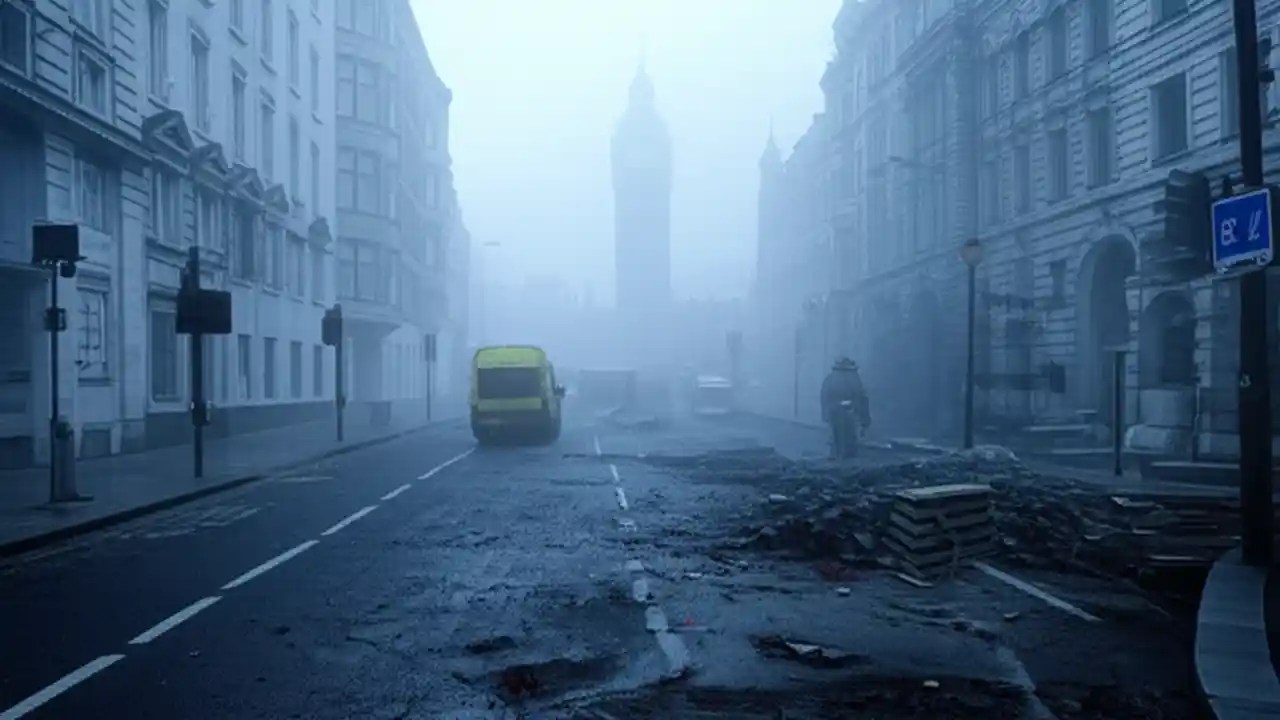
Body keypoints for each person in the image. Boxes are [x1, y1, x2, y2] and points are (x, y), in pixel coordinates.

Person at [820, 357, 871, 459]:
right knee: (848, 440)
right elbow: (863, 398)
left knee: (837, 439)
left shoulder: (830, 378)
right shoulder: (855, 378)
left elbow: (824, 397)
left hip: (837, 413)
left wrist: (826, 414)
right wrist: (865, 420)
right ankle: (846, 460)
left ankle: (838, 458)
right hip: (849, 413)